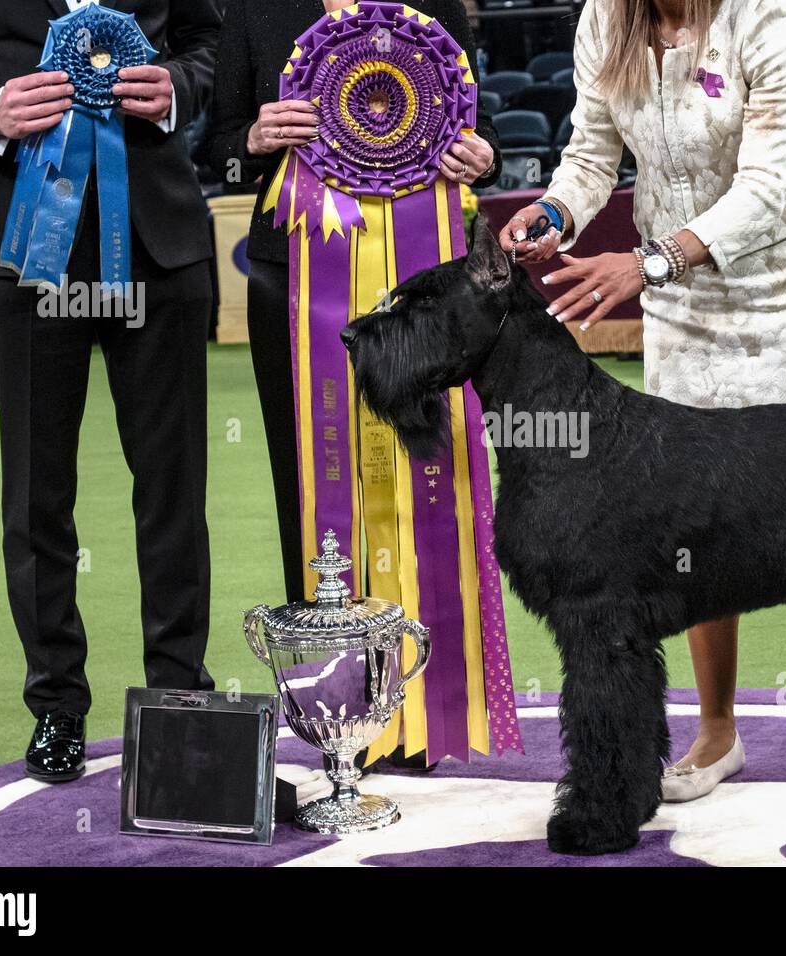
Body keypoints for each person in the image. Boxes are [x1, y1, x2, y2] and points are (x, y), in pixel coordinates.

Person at [501, 0, 786, 801]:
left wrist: (650, 262)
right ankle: (715, 729)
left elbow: (772, 185)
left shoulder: (771, 15)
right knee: (692, 517)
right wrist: (555, 211)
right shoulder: (605, 19)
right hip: (682, 304)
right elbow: (592, 155)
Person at [0, 0, 222, 782]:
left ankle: (180, 700)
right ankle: (58, 707)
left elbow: (206, 39)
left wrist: (178, 86)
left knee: (174, 488)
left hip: (160, 242)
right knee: (37, 493)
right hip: (20, 239)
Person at [208, 0, 515, 768]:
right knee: (314, 479)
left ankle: (429, 706)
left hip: (422, 281)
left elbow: (477, 133)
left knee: (427, 473)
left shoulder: (435, 8)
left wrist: (484, 159)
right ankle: (340, 708)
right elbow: (217, 146)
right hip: (294, 280)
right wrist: (251, 139)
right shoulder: (253, 12)